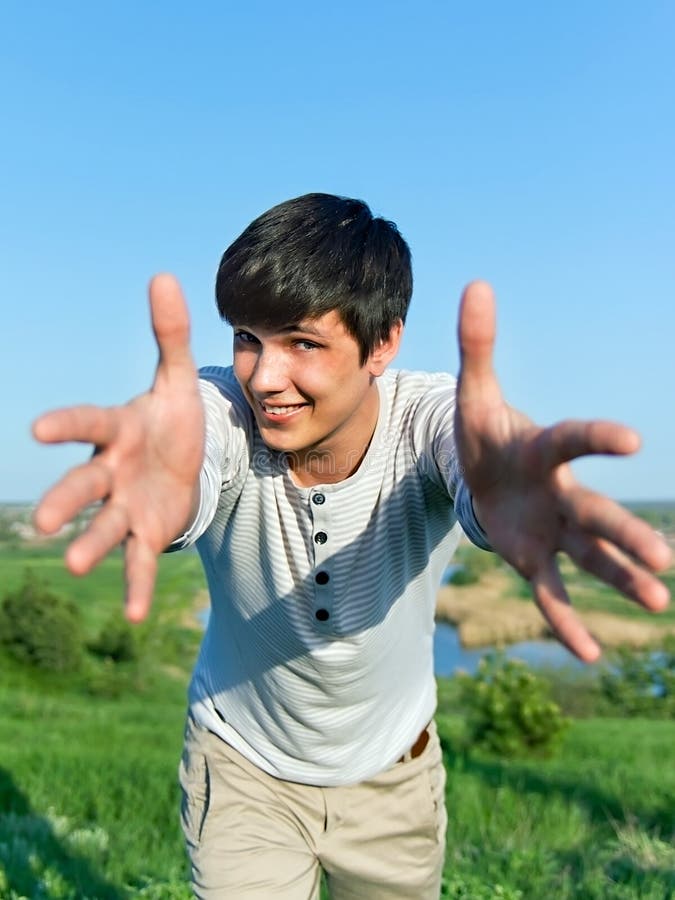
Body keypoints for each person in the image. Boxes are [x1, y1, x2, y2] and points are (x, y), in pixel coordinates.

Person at [33, 193, 671, 899]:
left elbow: (471, 455)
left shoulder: (428, 416)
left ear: (383, 343)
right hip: (242, 769)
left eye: (302, 343)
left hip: (394, 776)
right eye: (247, 338)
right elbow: (197, 458)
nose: (264, 379)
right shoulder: (217, 410)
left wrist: (498, 500)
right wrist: (169, 496)